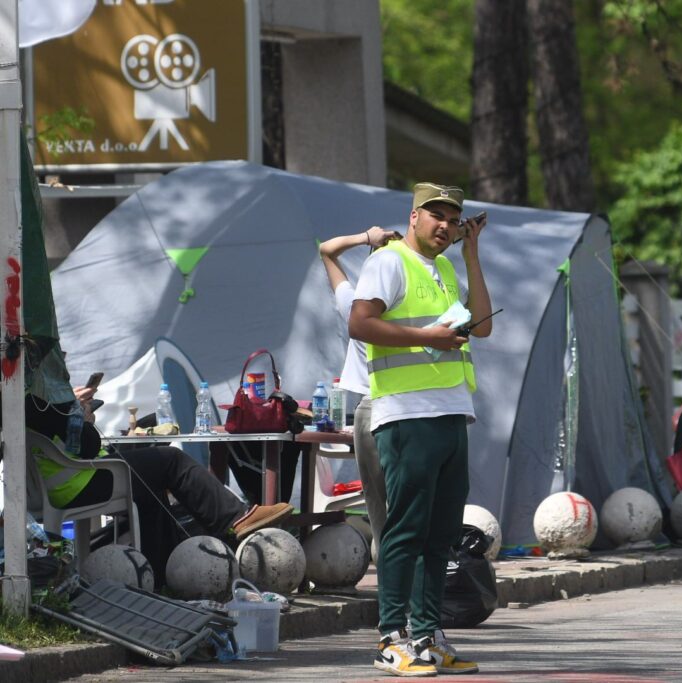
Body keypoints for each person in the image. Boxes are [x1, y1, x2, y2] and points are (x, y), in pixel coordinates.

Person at [349, 183, 491, 677]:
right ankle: (391, 638)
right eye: (437, 217)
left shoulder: (447, 265)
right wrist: (424, 337)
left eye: (454, 220)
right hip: (406, 414)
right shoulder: (388, 261)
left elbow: (483, 326)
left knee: (441, 534)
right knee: (405, 531)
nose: (446, 227)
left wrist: (472, 252)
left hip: (452, 412)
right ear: (414, 216)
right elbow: (360, 323)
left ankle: (427, 637)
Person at [25, 390, 293, 587]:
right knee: (170, 460)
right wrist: (81, 414)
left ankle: (161, 572)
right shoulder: (44, 401)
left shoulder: (25, 399)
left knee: (150, 483)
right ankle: (235, 519)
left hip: (69, 481)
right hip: (81, 482)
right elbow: (89, 444)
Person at [319, 226, 399, 551]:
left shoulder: (354, 305)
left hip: (371, 411)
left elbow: (327, 249)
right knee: (402, 506)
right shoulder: (406, 309)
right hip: (402, 408)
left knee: (378, 508)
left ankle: (390, 582)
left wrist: (367, 237)